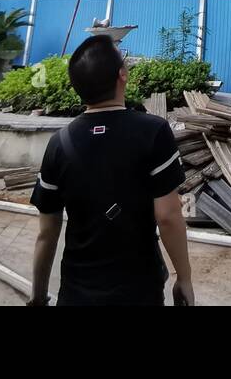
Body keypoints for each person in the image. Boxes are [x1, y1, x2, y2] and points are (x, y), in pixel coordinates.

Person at [28, 34, 194, 306]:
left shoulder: (59, 143)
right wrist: (184, 278)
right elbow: (168, 216)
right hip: (139, 291)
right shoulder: (152, 132)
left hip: (76, 293)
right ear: (123, 75)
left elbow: (46, 234)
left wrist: (37, 296)